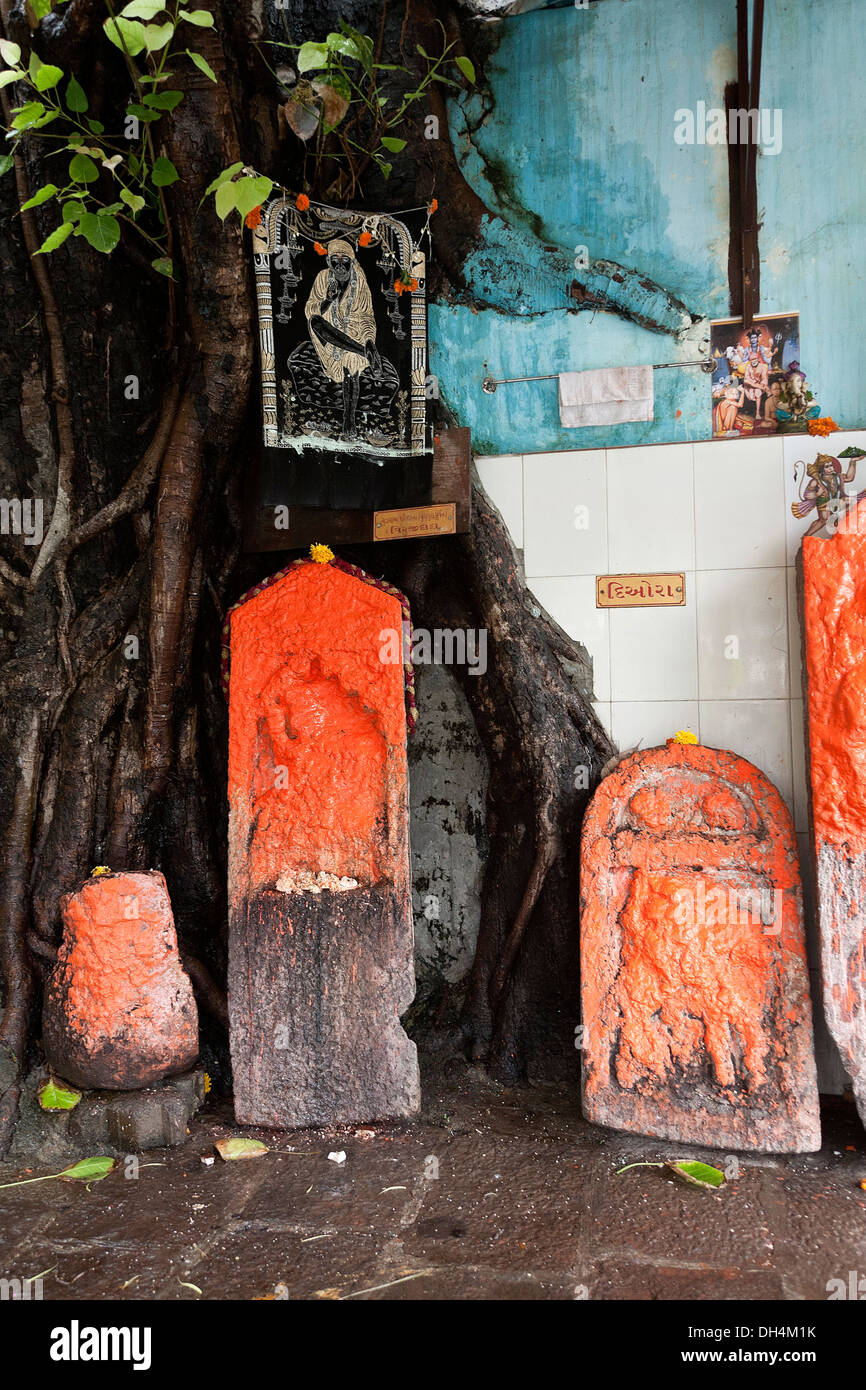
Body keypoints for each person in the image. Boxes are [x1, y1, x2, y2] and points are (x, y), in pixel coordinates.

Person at [304, 239, 382, 439]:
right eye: (335, 260)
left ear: (352, 262)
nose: (339, 265)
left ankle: (349, 419)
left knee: (350, 363)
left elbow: (367, 317)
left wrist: (369, 340)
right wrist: (328, 300)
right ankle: (362, 351)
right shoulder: (323, 278)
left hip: (354, 333)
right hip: (328, 337)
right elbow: (310, 310)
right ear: (329, 262)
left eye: (344, 260)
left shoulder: (360, 283)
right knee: (315, 322)